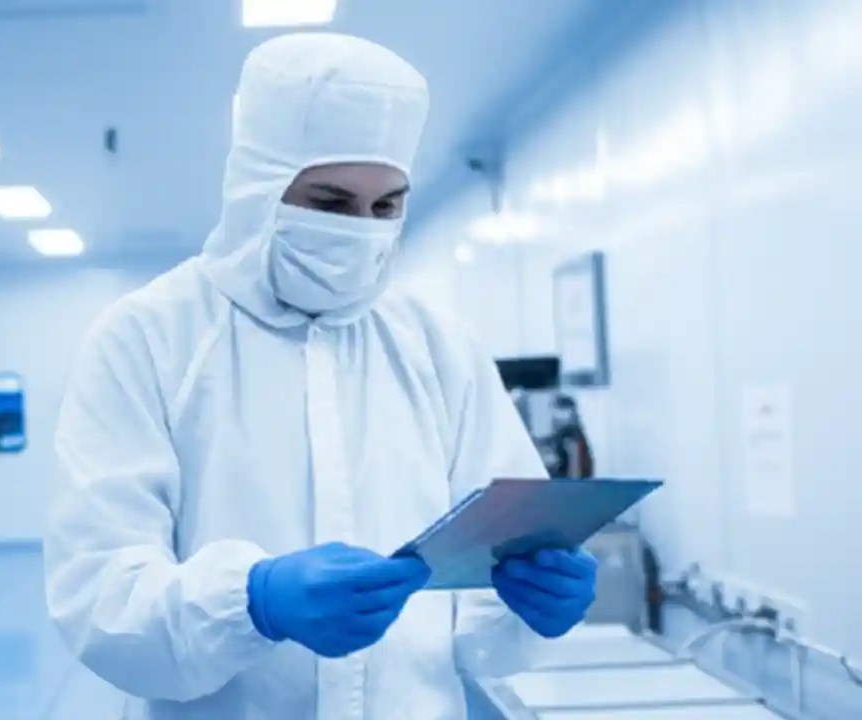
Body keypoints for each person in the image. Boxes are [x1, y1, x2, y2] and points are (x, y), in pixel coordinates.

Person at [45, 33, 598, 720]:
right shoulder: (147, 339)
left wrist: (531, 603)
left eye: (386, 206)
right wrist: (253, 601)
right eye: (330, 203)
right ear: (257, 187)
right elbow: (98, 594)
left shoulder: (437, 347)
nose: (360, 230)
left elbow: (489, 587)